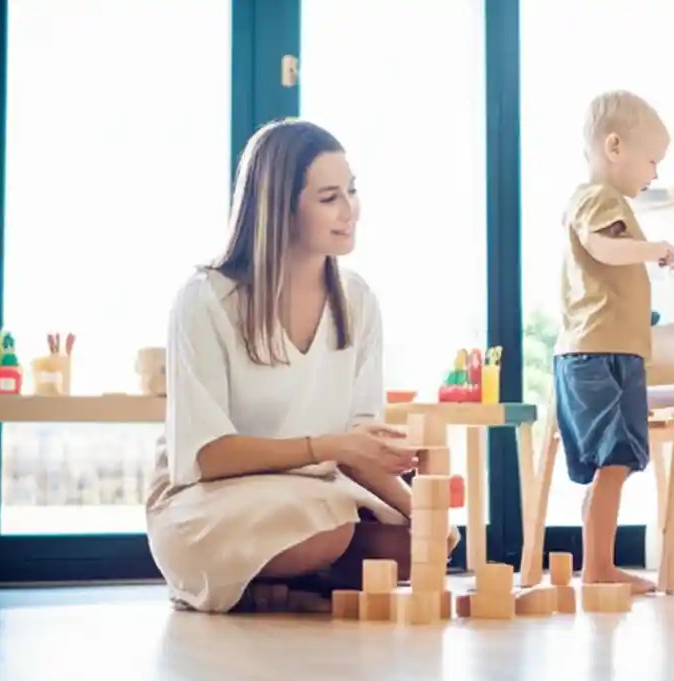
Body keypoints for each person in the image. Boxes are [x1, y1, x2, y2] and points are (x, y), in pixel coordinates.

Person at [146, 119, 454, 614]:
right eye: (329, 197)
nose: (350, 210)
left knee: (415, 547)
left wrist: (423, 513)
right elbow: (208, 457)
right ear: (279, 207)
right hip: (211, 497)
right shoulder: (205, 299)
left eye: (352, 192)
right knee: (326, 529)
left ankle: (285, 583)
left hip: (317, 496)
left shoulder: (357, 300)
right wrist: (329, 446)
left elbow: (358, 446)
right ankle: (297, 575)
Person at [554, 90, 674, 594]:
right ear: (614, 147)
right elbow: (603, 246)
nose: (654, 175)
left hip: (607, 349)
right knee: (615, 459)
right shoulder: (601, 200)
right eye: (652, 161)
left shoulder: (601, 201)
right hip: (598, 352)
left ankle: (598, 563)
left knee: (616, 460)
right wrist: (653, 250)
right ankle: (599, 566)